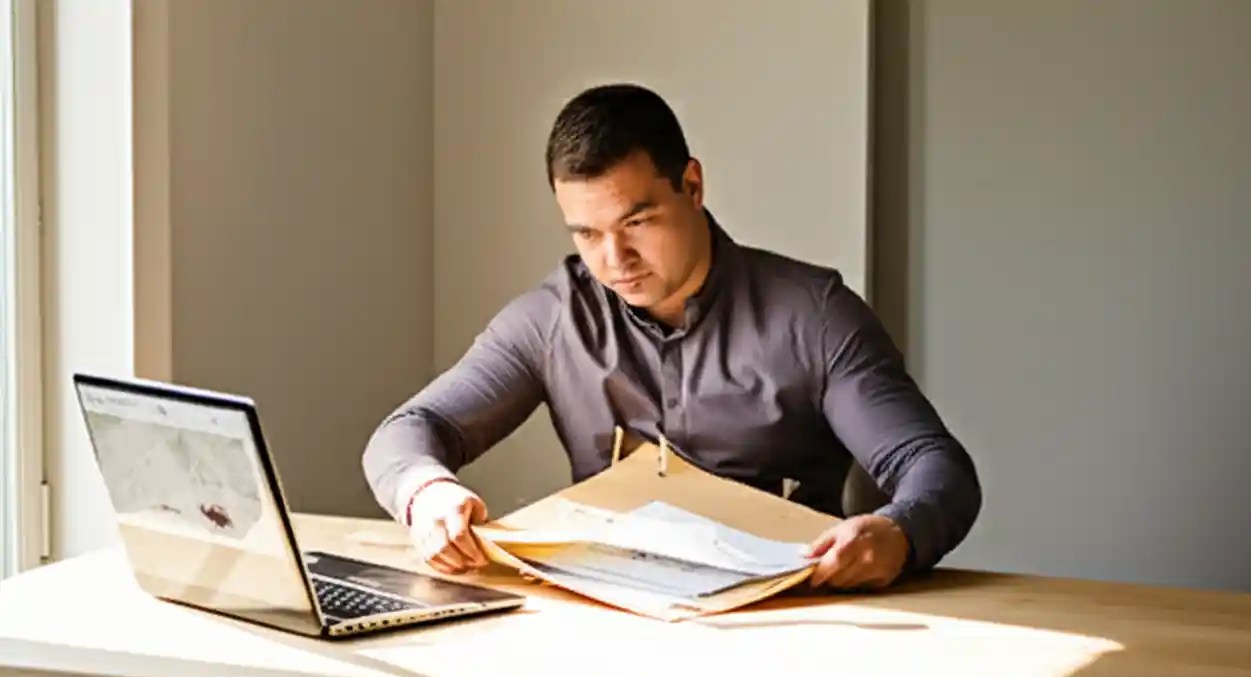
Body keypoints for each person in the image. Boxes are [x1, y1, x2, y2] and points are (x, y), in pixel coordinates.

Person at [363, 83, 980, 590]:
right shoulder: (554, 318)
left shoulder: (814, 316)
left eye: (638, 221)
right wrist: (427, 493)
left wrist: (896, 533)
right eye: (586, 233)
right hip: (610, 615)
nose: (614, 259)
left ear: (692, 185)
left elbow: (935, 466)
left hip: (789, 624)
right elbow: (409, 430)